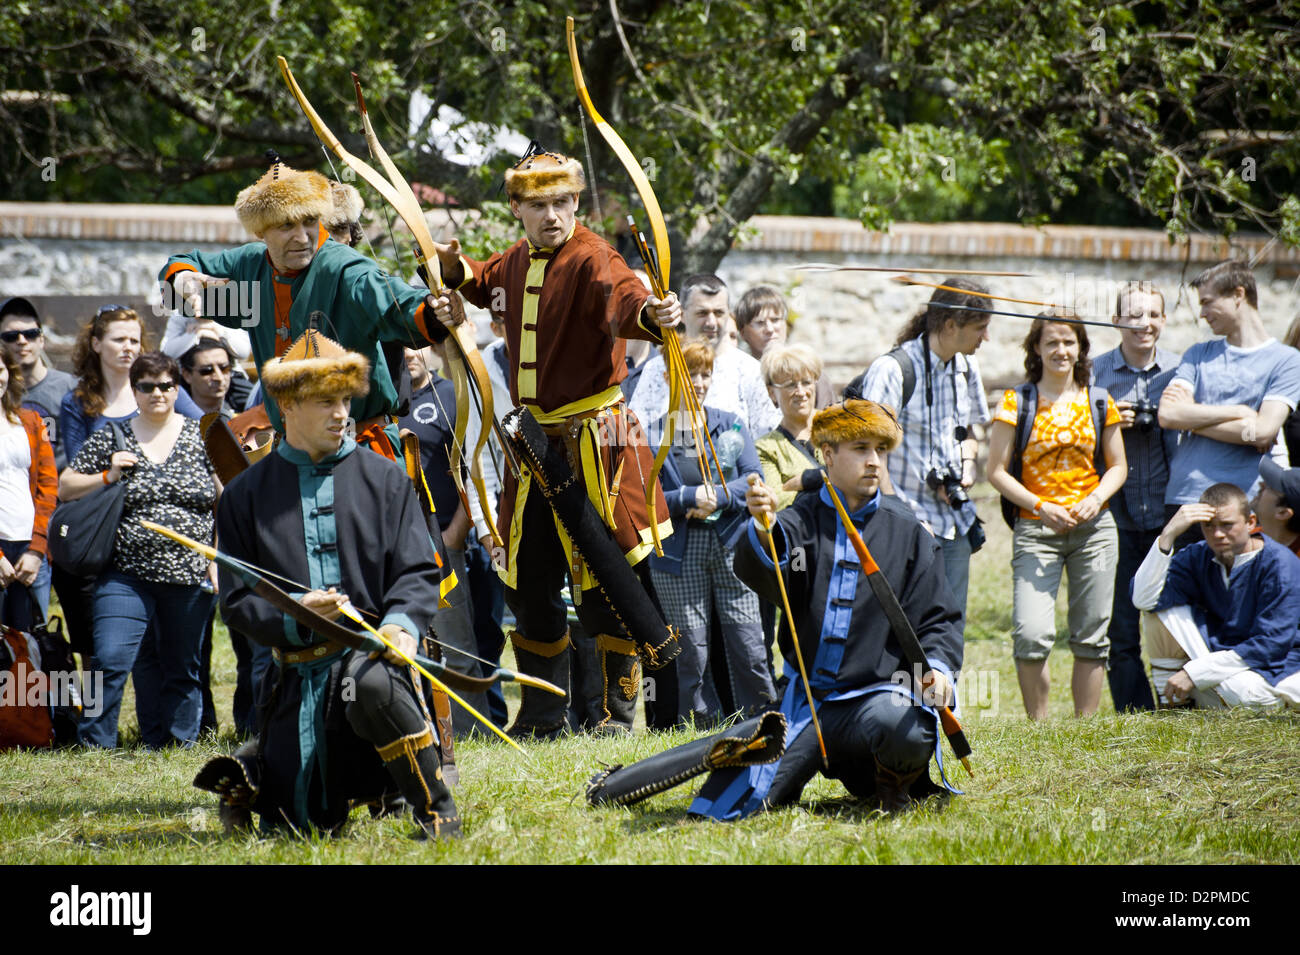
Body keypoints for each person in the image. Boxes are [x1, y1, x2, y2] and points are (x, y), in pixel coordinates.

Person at [426, 148, 682, 736]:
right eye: (537, 204)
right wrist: (447, 262)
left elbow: (624, 300)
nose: (552, 215)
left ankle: (616, 715)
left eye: (562, 202)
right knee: (529, 580)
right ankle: (544, 715)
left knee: (612, 576)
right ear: (516, 207)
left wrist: (653, 314)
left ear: (575, 203)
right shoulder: (516, 261)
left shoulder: (596, 257)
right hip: (537, 444)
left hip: (600, 436)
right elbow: (478, 278)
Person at [212, 330, 460, 838]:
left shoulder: (386, 478)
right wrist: (296, 611)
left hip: (368, 665)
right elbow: (235, 601)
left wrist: (399, 626)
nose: (341, 413)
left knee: (371, 681)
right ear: (285, 404)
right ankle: (262, 765)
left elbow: (417, 571)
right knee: (301, 827)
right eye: (326, 401)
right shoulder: (243, 496)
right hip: (294, 685)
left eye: (346, 399)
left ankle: (438, 813)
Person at [690, 398, 964, 818]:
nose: (874, 461)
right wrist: (764, 531)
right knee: (747, 803)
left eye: (880, 450)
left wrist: (939, 672)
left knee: (905, 725)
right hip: (806, 704)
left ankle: (891, 786)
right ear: (828, 455)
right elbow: (775, 569)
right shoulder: (801, 520)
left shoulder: (908, 531)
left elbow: (938, 621)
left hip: (877, 699)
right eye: (860, 449)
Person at [158, 157, 444, 458]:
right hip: (292, 454)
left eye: (309, 221)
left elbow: (396, 305)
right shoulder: (250, 268)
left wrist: (436, 309)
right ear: (261, 232)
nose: (302, 236)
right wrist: (183, 279)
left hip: (359, 451)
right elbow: (179, 281)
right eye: (286, 225)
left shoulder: (342, 268)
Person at [62, 352, 219, 748]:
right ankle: (95, 743)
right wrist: (107, 474)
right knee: (109, 658)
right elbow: (65, 486)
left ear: (176, 388)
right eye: (147, 386)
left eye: (165, 385)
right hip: (125, 573)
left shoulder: (203, 434)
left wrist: (217, 556)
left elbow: (228, 500)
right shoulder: (114, 435)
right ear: (134, 391)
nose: (157, 393)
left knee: (183, 667)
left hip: (189, 571)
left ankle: (176, 743)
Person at [987, 311, 1126, 719]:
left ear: (1081, 348)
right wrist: (1039, 506)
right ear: (1036, 348)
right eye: (1051, 342)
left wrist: (1095, 497)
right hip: (1036, 528)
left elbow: (1118, 465)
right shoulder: (1017, 401)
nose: (1060, 350)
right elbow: (994, 470)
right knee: (1031, 633)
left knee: (1092, 635)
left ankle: (1084, 726)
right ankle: (1039, 727)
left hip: (1094, 528)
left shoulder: (1099, 400)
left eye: (1069, 342)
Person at [645, 339, 774, 725]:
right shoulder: (653, 434)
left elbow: (755, 479)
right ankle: (698, 727)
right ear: (669, 377)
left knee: (749, 642)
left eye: (705, 374)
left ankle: (764, 717)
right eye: (690, 374)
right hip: (677, 553)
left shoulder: (730, 423)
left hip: (732, 546)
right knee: (692, 651)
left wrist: (716, 496)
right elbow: (644, 502)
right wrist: (687, 497)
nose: (699, 382)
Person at [859, 278, 992, 617]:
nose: (986, 338)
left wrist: (968, 466)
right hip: (903, 527)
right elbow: (871, 454)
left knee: (948, 632)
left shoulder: (967, 366)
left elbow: (970, 433)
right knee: (903, 633)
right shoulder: (892, 370)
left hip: (954, 522)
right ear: (950, 325)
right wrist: (903, 516)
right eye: (980, 328)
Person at [1091, 280, 1181, 711]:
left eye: (1152, 315)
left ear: (1163, 320)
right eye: (1133, 314)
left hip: (1170, 513)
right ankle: (1136, 711)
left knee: (1174, 617)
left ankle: (1180, 703)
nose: (1143, 323)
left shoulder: (1181, 371)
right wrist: (1106, 426)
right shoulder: (1092, 375)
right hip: (1116, 514)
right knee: (1121, 627)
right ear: (1115, 320)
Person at [1132, 482, 1300, 710]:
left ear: (1250, 523)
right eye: (1208, 526)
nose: (1218, 534)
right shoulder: (1198, 554)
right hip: (1218, 656)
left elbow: (1271, 644)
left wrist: (1196, 673)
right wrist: (1168, 535)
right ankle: (1172, 705)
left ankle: (1197, 694)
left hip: (1276, 663)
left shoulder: (1279, 564)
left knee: (1246, 693)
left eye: (1227, 525)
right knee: (1159, 613)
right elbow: (1143, 599)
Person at [1159, 260, 1300, 529]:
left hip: (1246, 504)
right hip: (1187, 500)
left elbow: (1261, 433)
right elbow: (1167, 415)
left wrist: (1191, 420)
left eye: (1207, 302)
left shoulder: (1287, 361)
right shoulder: (1197, 354)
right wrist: (1239, 412)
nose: (1202, 313)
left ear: (1238, 295)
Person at [398, 344, 492, 734]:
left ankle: (476, 735)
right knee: (406, 650)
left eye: (414, 343)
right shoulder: (381, 403)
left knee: (456, 650)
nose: (408, 353)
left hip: (441, 546)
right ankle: (422, 733)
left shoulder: (451, 397)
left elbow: (476, 468)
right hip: (395, 549)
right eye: (398, 345)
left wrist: (455, 532)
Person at [630, 274, 779, 443]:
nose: (711, 322)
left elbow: (766, 440)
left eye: (719, 313)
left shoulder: (750, 371)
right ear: (682, 315)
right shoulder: (658, 368)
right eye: (702, 313)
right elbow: (636, 437)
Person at [0, 353, 57, 632]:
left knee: (31, 647)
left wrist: (37, 549)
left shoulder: (31, 421)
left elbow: (48, 487)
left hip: (29, 551)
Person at [0, 297, 76, 471]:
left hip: (62, 493)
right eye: (11, 336)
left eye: (31, 334)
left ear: (41, 339)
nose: (22, 341)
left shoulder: (71, 387)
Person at [735, 286, 836, 408]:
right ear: (743, 333)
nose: (770, 329)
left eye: (775, 320)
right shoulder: (738, 379)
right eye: (760, 323)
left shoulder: (810, 373)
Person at [755, 345, 825, 511]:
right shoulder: (766, 448)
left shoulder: (839, 426)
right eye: (790, 385)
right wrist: (830, 480)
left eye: (807, 382)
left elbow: (854, 473)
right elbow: (777, 502)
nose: (801, 392)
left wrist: (808, 480)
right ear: (772, 393)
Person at [1254, 458, 1300, 555]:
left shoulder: (1295, 564)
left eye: (1270, 487)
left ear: (1283, 513)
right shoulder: (1249, 537)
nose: (1261, 484)